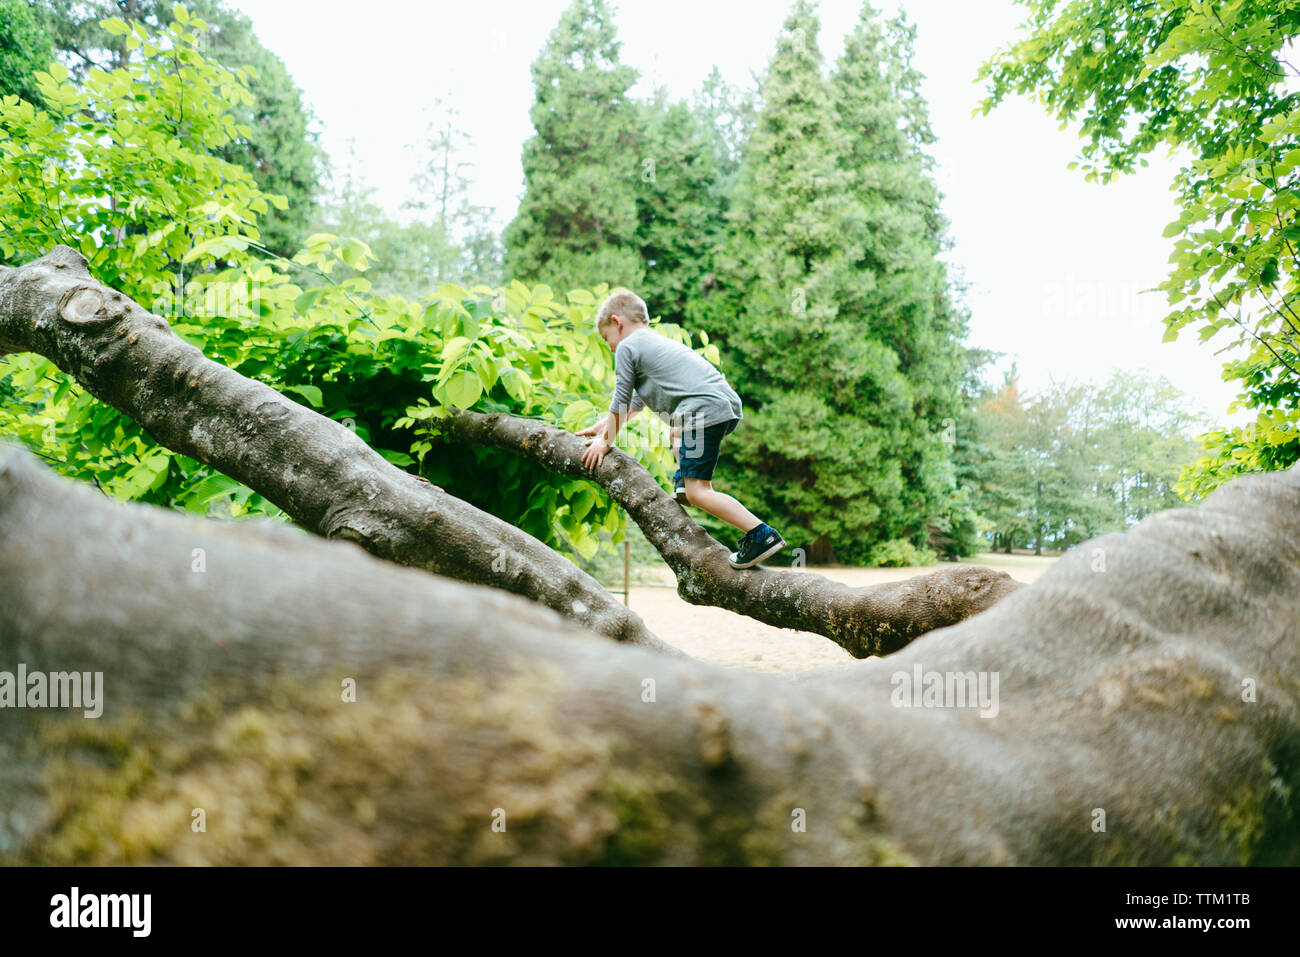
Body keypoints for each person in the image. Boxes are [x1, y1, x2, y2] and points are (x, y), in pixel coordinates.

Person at [576, 290, 785, 569]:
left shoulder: (628, 346)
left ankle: (762, 535)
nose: (610, 347)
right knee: (680, 449)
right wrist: (604, 426)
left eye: (606, 338)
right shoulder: (653, 343)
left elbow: (621, 397)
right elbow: (635, 402)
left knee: (699, 491)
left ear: (617, 322)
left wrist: (606, 442)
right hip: (717, 406)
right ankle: (683, 484)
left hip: (700, 410)